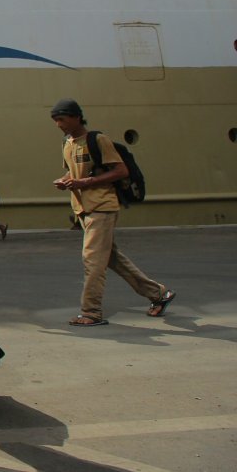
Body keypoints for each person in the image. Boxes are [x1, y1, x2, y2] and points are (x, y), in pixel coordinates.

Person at [51, 99, 175, 326]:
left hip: (102, 207)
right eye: (56, 120)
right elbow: (72, 172)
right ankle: (159, 294)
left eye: (62, 119)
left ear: (77, 117)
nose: (59, 124)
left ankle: (91, 312)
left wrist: (88, 181)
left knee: (92, 261)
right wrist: (65, 180)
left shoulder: (98, 140)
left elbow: (120, 170)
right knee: (111, 259)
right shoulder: (66, 142)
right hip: (83, 209)